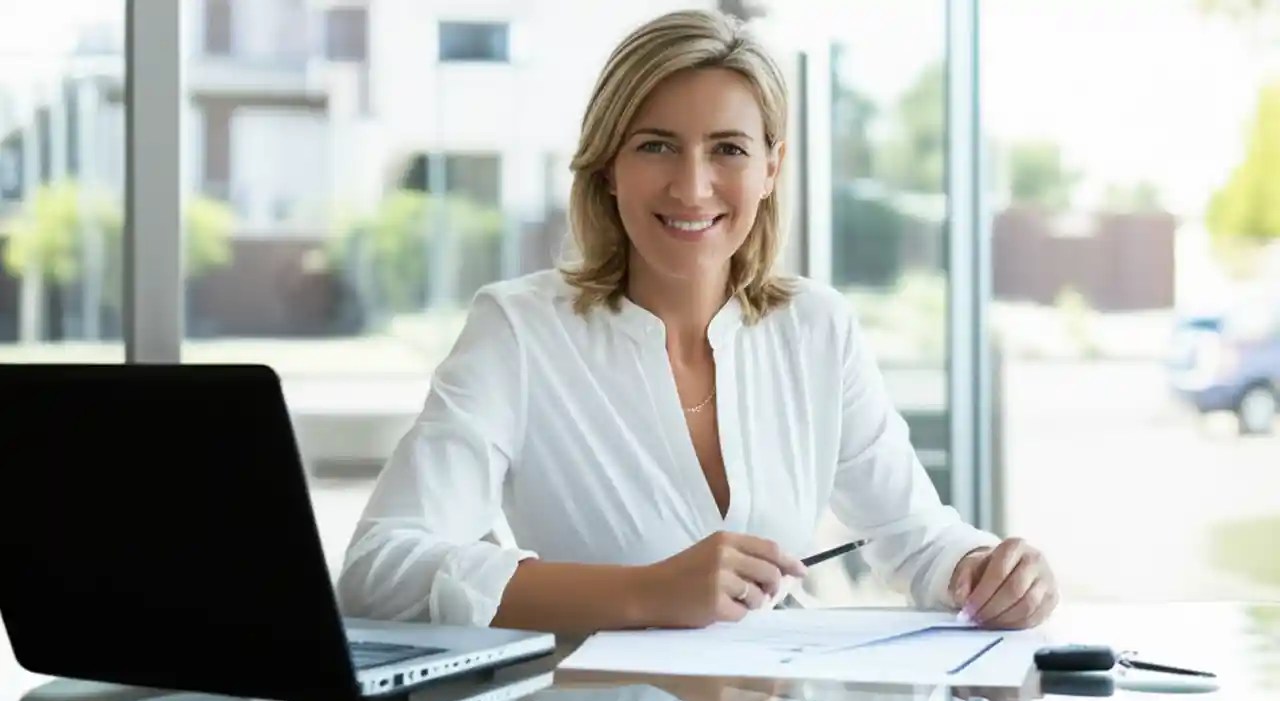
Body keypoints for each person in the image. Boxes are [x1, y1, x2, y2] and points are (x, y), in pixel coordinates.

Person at [335, 8, 1058, 635]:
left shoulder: (816, 328)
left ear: (771, 168)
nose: (692, 185)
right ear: (608, 165)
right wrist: (646, 591)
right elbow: (379, 571)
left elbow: (916, 537)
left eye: (728, 150)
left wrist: (987, 571)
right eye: (655, 145)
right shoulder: (519, 330)